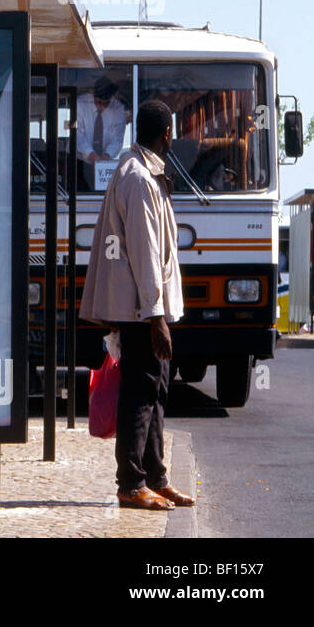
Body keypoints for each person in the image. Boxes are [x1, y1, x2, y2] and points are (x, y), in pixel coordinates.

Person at [79, 100, 196, 511]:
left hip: (144, 306)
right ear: (166, 133)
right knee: (140, 392)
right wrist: (155, 315)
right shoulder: (140, 178)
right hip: (140, 309)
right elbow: (145, 253)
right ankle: (130, 483)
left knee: (157, 389)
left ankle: (155, 477)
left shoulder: (140, 170)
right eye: (173, 132)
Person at [75, 76, 128, 165]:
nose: (103, 106)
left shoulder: (118, 109)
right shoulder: (80, 104)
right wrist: (90, 153)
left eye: (106, 103)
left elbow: (117, 139)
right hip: (79, 159)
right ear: (93, 95)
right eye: (99, 102)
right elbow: (78, 135)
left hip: (104, 160)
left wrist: (107, 155)